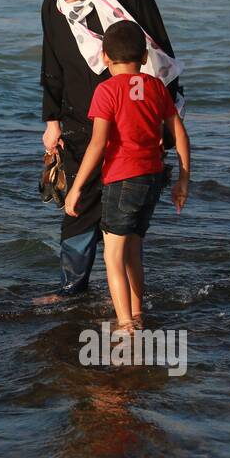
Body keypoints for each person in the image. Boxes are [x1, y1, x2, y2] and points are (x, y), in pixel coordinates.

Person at [34, 0, 184, 301]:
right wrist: (51, 120)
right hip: (80, 120)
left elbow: (159, 49)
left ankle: (130, 301)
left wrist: (168, 116)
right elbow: (51, 64)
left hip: (134, 123)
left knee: (127, 214)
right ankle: (73, 289)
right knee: (79, 201)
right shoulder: (53, 6)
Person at [62, 21, 191, 331]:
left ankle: (124, 326)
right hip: (152, 178)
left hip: (122, 180)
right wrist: (184, 178)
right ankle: (136, 314)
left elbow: (98, 144)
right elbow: (180, 133)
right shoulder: (157, 87)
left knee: (113, 257)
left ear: (105, 57)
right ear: (145, 57)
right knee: (133, 252)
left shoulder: (106, 90)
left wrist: (76, 187)